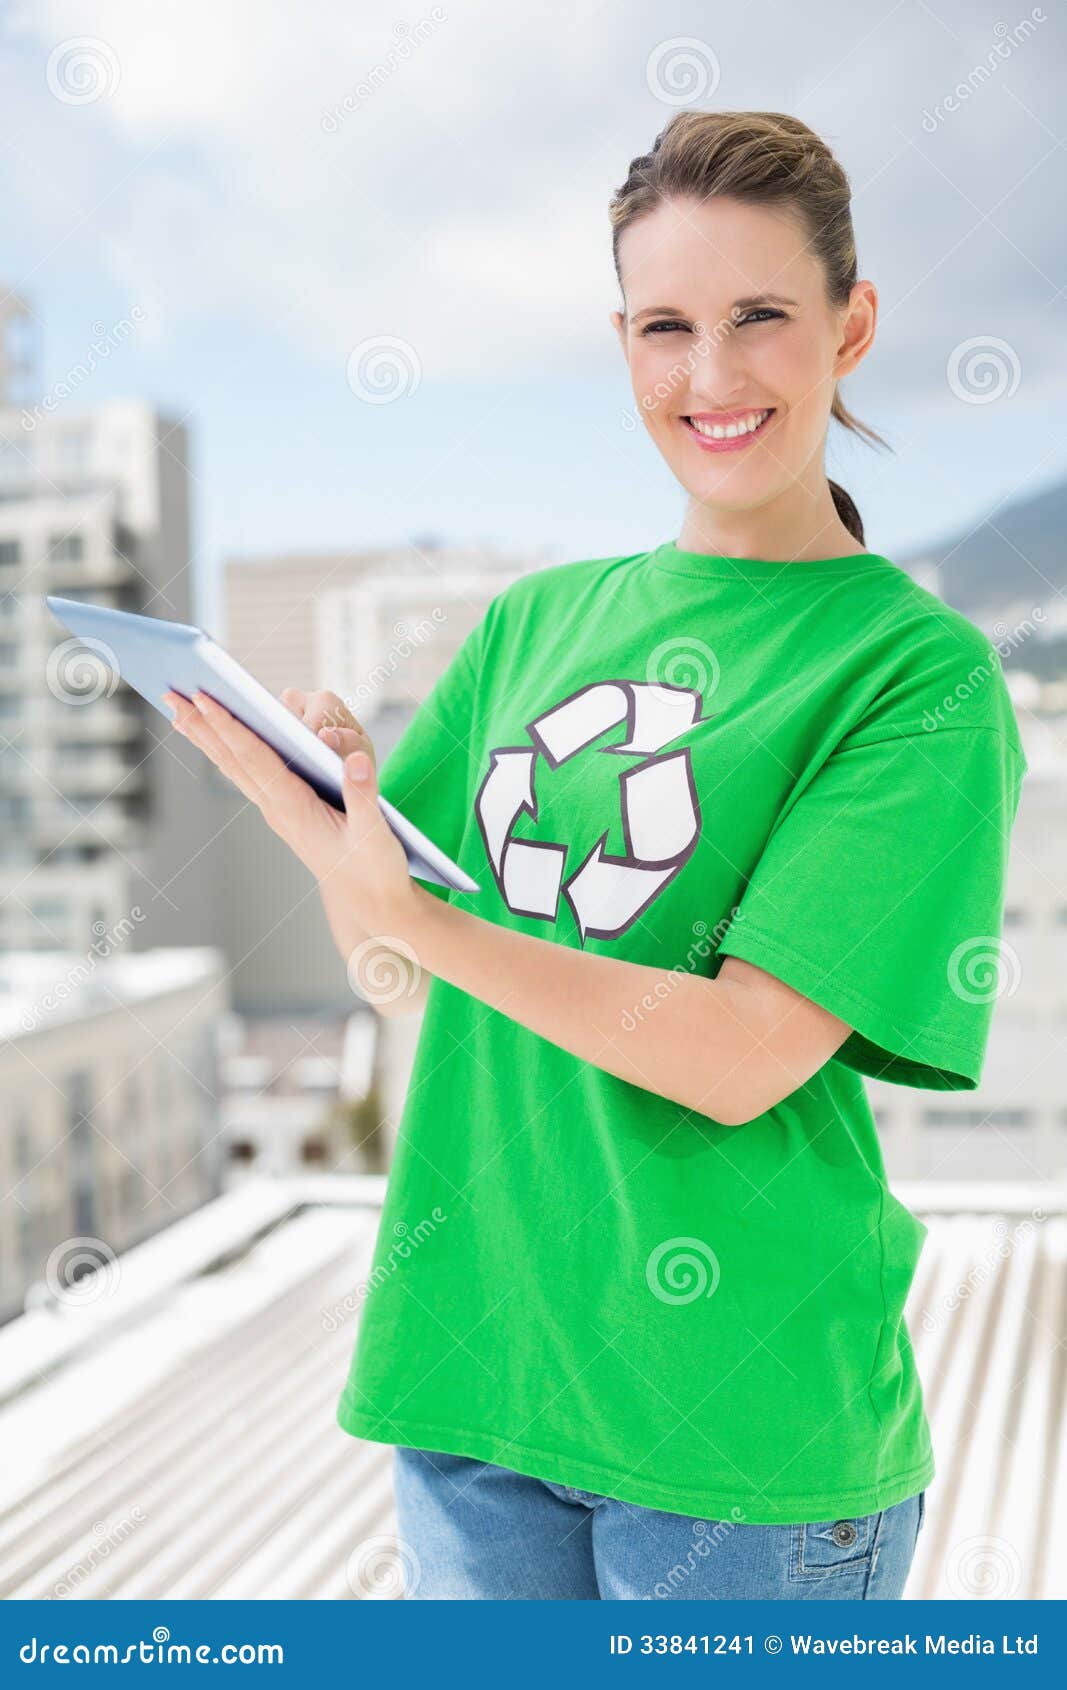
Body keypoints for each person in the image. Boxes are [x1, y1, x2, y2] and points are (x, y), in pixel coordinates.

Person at [166, 109, 1026, 1601]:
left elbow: (748, 1052)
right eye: (665, 326)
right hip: (478, 1384)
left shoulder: (914, 674)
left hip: (744, 1451)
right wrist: (341, 839)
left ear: (854, 322)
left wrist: (424, 925)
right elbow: (413, 991)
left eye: (761, 316)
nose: (711, 376)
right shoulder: (527, 626)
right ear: (621, 343)